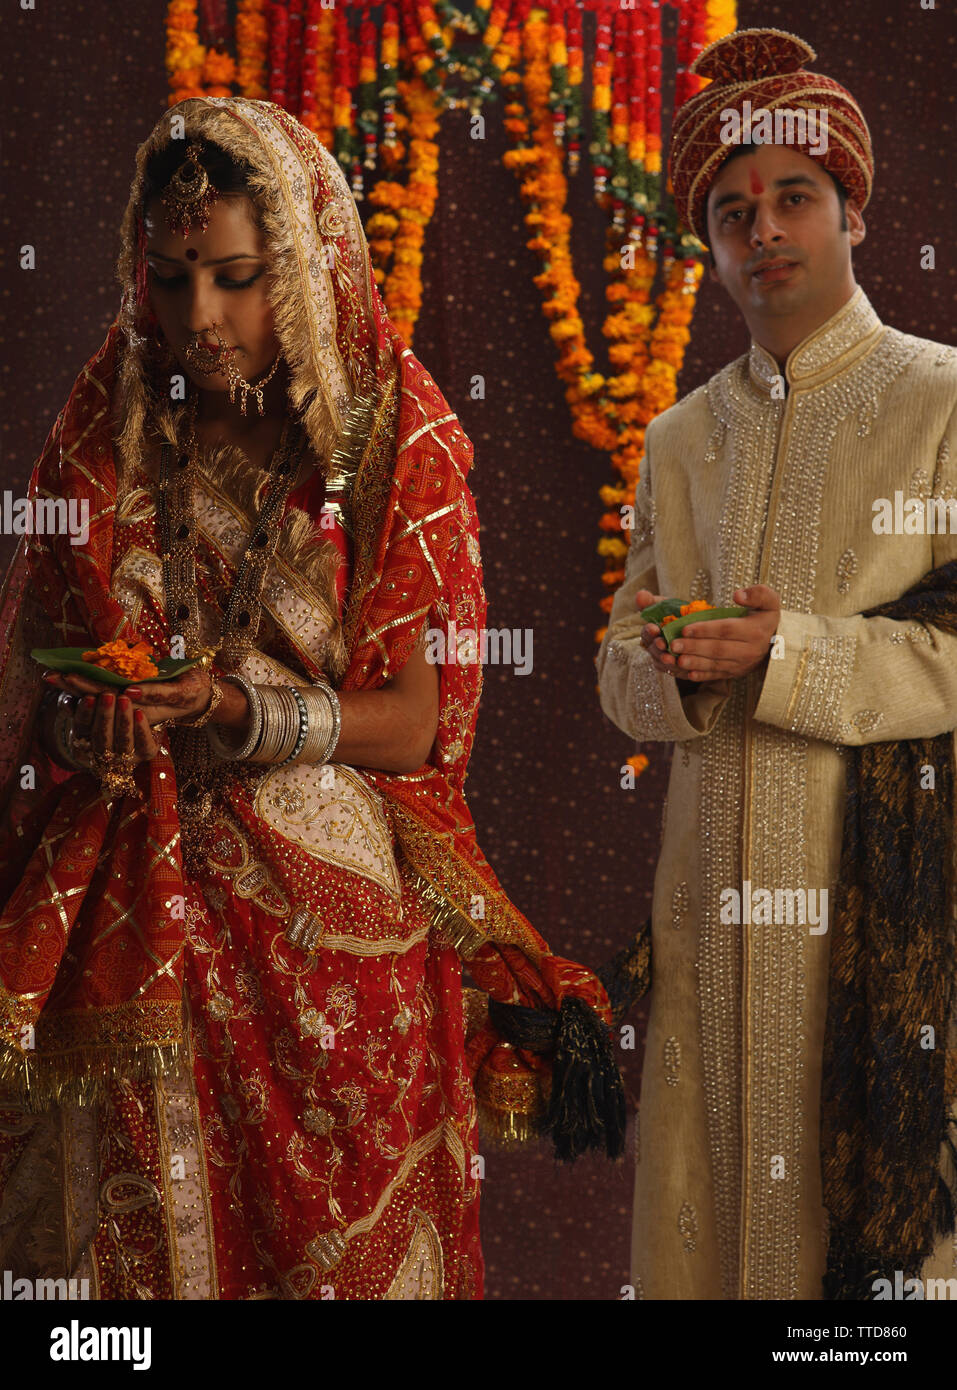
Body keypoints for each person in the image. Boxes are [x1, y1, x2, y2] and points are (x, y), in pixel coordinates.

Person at [0, 96, 623, 1300]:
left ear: (307, 257)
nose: (203, 320)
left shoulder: (393, 429)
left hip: (339, 941)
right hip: (143, 919)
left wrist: (247, 714)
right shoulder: (111, 424)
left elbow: (418, 723)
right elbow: (48, 679)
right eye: (172, 281)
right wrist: (96, 722)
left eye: (235, 278)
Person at [596, 29, 957, 1300]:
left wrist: (787, 651)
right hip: (707, 909)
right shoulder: (680, 438)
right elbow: (618, 656)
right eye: (733, 212)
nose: (765, 231)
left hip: (883, 914)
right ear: (709, 243)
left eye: (794, 196)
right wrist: (683, 672)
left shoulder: (942, 400)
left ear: (852, 212)